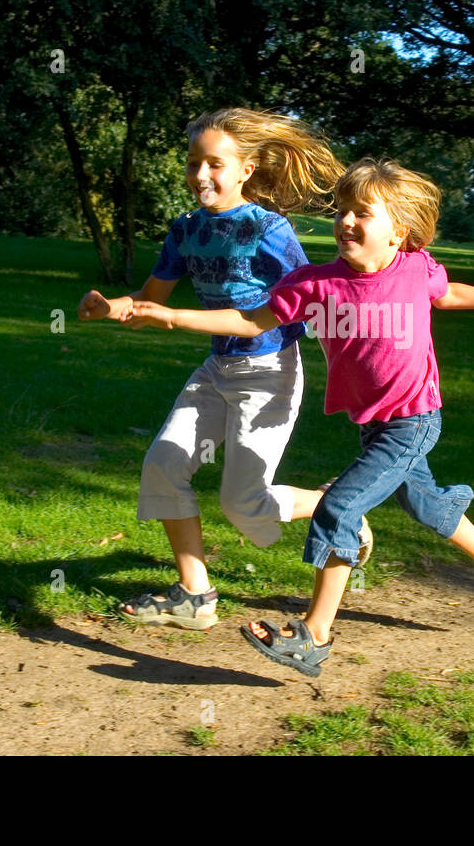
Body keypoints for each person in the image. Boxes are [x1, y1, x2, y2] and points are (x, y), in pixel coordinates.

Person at [123, 158, 474, 674]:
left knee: (339, 510)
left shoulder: (416, 269)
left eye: (362, 214)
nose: (346, 222)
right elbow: (249, 319)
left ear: (400, 231)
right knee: (427, 507)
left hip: (415, 419)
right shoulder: (315, 283)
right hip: (373, 423)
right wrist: (174, 314)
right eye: (342, 211)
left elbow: (450, 293)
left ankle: (313, 636)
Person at [78, 107, 366, 631]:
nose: (201, 175)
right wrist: (113, 306)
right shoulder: (185, 229)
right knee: (162, 463)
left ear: (245, 171)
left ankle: (337, 506)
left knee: (244, 504)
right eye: (193, 163)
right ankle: (194, 595)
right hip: (218, 368)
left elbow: (304, 300)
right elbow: (151, 298)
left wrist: (355, 353)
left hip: (269, 370)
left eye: (215, 163)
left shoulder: (267, 229)